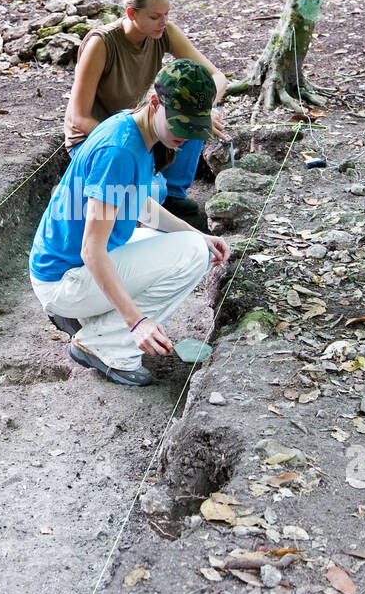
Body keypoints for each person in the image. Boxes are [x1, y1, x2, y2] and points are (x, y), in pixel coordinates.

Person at [30, 59, 230, 387]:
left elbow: (140, 205)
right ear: (155, 103)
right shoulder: (120, 151)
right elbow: (92, 250)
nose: (186, 136)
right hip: (65, 277)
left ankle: (90, 318)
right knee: (190, 253)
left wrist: (199, 234)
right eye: (181, 124)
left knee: (193, 246)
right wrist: (136, 323)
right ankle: (107, 346)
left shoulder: (136, 131)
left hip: (71, 267)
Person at [63, 0, 229, 226]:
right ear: (131, 14)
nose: (163, 22)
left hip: (141, 129)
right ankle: (154, 203)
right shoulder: (101, 44)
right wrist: (132, 147)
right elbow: (79, 117)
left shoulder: (164, 33)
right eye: (154, 17)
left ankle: (174, 194)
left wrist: (205, 108)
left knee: (198, 108)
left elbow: (216, 77)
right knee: (151, 194)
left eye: (166, 14)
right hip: (100, 138)